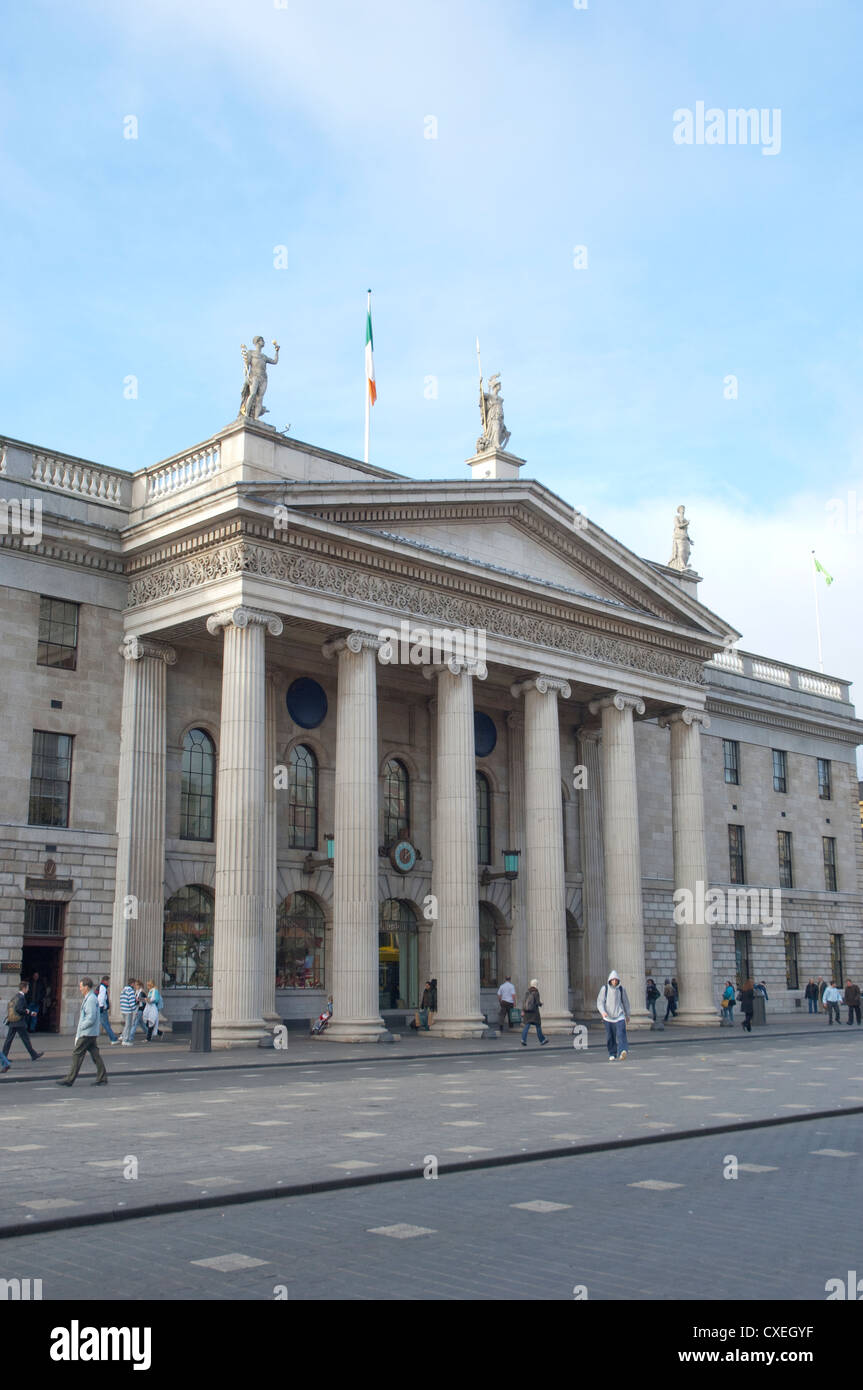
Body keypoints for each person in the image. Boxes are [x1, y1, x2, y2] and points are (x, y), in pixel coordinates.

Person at [55, 978, 107, 1087]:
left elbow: (91, 1017)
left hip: (87, 1033)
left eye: (81, 986)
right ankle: (102, 1077)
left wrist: (81, 1027)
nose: (80, 989)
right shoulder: (90, 998)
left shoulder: (91, 999)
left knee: (77, 1054)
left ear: (86, 987)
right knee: (95, 1055)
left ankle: (70, 1079)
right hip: (91, 1033)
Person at [3, 982, 44, 1062]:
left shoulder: (15, 996)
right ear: (24, 988)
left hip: (13, 1021)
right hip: (19, 1022)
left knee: (9, 1040)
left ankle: (4, 1057)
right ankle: (34, 1055)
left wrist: (27, 1011)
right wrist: (29, 1012)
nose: (28, 990)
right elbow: (19, 1009)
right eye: (27, 988)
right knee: (25, 1039)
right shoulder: (21, 997)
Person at [598, 970, 630, 1061]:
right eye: (613, 980)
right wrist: (603, 1012)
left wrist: (628, 1015)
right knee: (610, 1036)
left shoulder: (621, 989)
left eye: (616, 980)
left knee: (621, 1033)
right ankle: (612, 1053)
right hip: (608, 1017)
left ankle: (622, 1051)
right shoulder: (605, 989)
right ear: (610, 980)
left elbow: (626, 1002)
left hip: (619, 1015)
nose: (615, 982)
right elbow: (600, 1002)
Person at [521, 979, 549, 1047]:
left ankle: (523, 1040)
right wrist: (541, 1004)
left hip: (527, 1012)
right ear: (536, 984)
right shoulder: (536, 992)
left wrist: (523, 1010)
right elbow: (537, 1002)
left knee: (526, 1026)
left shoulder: (527, 992)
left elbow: (524, 1002)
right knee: (538, 1026)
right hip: (534, 1012)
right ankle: (542, 1040)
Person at [97, 976, 120, 1044]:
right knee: (105, 1024)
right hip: (102, 1009)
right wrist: (101, 1007)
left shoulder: (101, 987)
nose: (109, 983)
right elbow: (101, 998)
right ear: (105, 981)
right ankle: (113, 1038)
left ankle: (113, 1038)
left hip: (101, 1008)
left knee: (105, 1024)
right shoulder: (103, 988)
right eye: (108, 981)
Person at [119, 977, 139, 1045]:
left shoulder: (123, 990)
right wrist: (134, 1010)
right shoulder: (130, 991)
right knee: (128, 1026)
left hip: (123, 1009)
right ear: (132, 983)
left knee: (126, 1025)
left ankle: (123, 1037)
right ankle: (125, 1040)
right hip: (128, 1010)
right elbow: (131, 1002)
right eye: (134, 984)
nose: (135, 985)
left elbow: (121, 1000)